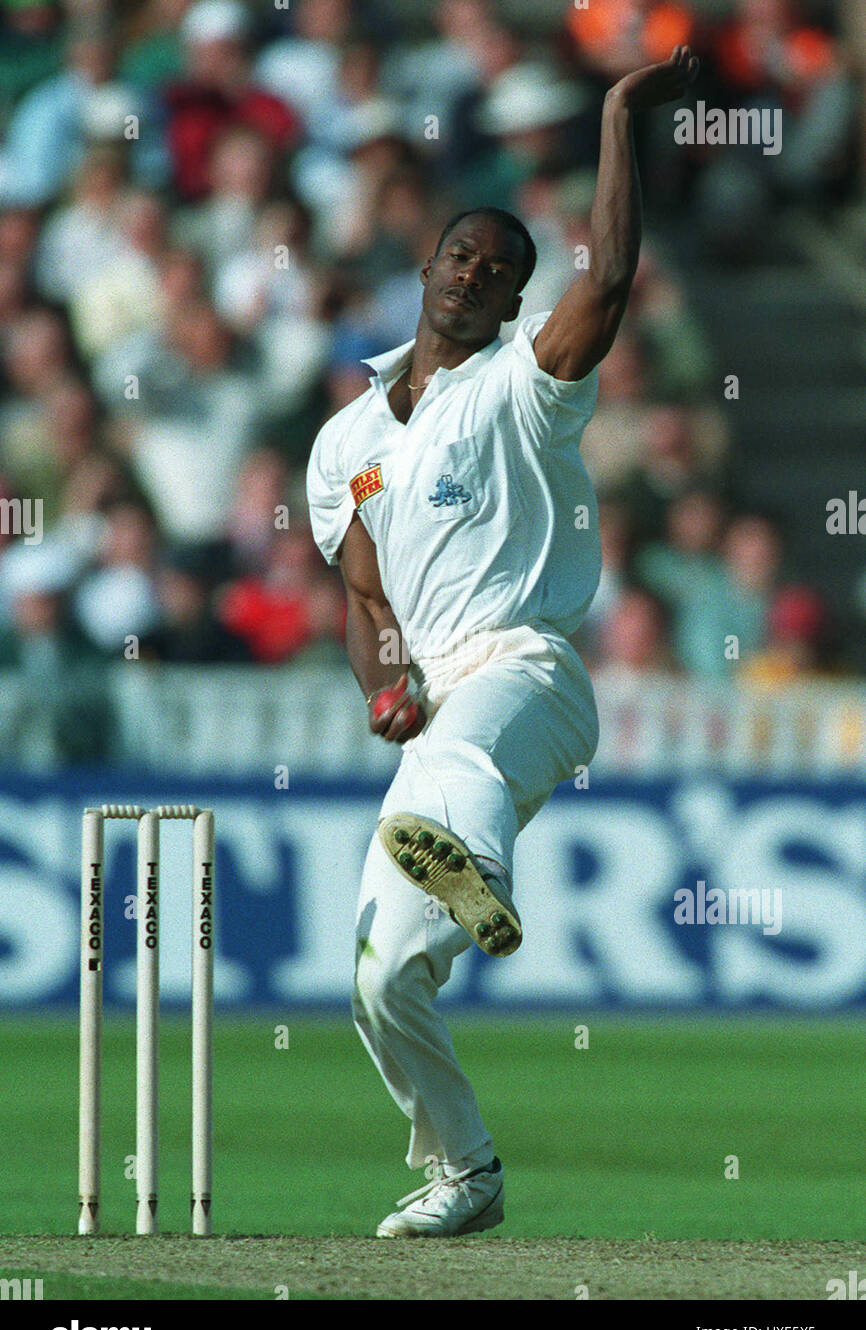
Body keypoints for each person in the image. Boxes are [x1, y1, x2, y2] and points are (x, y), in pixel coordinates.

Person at [306, 46, 699, 1237]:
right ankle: (463, 1170)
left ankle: (472, 863)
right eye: (460, 254)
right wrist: (379, 684)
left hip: (527, 670)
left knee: (459, 777)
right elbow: (361, 595)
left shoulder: (523, 388)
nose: (474, 273)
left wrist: (619, 116)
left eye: (499, 269)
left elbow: (614, 276)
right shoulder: (346, 437)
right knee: (378, 980)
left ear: (511, 300)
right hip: (431, 707)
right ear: (426, 266)